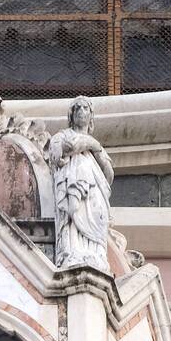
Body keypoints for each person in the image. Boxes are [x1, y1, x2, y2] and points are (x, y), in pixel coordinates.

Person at [48, 95, 114, 273]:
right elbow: (59, 151)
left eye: (85, 108)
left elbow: (109, 173)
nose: (81, 112)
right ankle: (73, 251)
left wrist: (92, 145)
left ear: (91, 116)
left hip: (94, 193)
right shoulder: (62, 136)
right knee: (73, 214)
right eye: (77, 108)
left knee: (97, 216)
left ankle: (96, 254)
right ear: (71, 115)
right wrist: (89, 144)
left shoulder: (96, 148)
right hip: (73, 186)